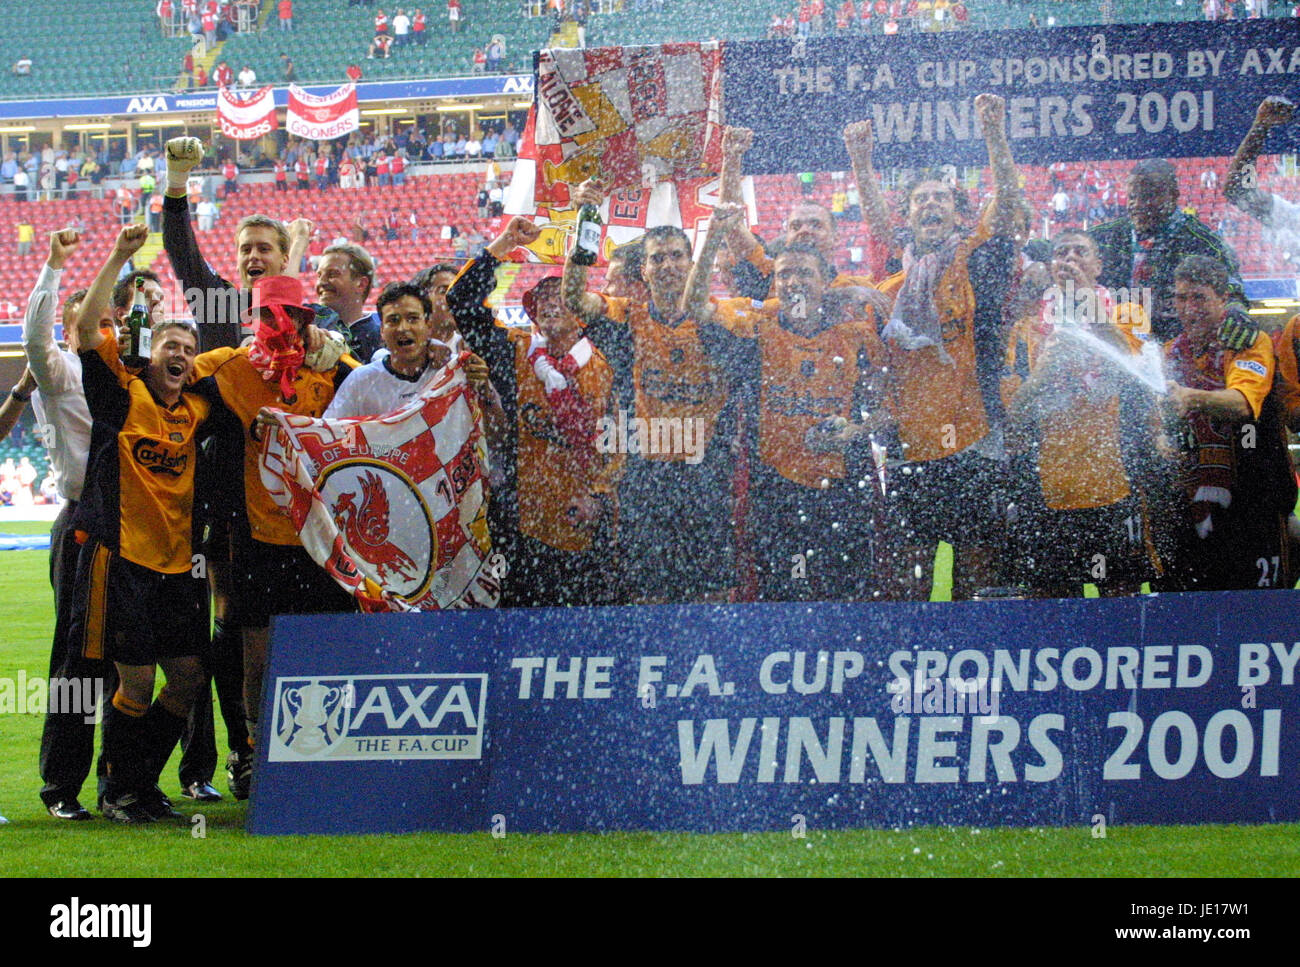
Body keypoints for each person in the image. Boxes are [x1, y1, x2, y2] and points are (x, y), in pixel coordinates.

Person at [68, 225, 214, 823]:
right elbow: (82, 331)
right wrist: (120, 257)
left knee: (186, 678)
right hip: (122, 560)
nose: (177, 354)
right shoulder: (121, 394)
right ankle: (117, 792)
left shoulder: (201, 409)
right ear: (146, 354)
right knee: (134, 683)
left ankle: (140, 784)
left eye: (186, 347)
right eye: (167, 345)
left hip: (179, 568)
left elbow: (243, 361)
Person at [191, 275, 357, 793]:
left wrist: (339, 348)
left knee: (327, 648)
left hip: (325, 539)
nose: (280, 325)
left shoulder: (334, 369)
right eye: (268, 315)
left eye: (291, 315)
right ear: (253, 321)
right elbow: (164, 379)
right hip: (258, 537)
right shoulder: (227, 369)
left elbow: (383, 398)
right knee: (256, 656)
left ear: (309, 320)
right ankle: (256, 752)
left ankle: (334, 752)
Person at [872, 94, 1025, 600]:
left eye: (941, 197)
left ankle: (971, 669)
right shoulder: (896, 285)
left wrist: (993, 131)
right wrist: (859, 158)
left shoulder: (974, 261)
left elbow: (1006, 204)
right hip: (912, 445)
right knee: (910, 576)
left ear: (958, 214)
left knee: (976, 574)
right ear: (909, 215)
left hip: (974, 440)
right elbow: (876, 225)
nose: (931, 204)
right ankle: (910, 665)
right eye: (921, 199)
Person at [561, 182, 738, 604]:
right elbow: (572, 297)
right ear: (644, 270)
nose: (668, 265)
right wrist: (586, 221)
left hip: (705, 473)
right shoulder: (631, 318)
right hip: (648, 476)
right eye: (657, 258)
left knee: (711, 594)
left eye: (677, 255)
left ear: (692, 262)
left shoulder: (720, 317)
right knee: (649, 593)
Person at [447, 220, 622, 606]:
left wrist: (599, 497)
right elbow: (460, 302)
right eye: (540, 299)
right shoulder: (514, 351)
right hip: (519, 524)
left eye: (560, 296)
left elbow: (623, 443)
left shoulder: (606, 367)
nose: (548, 302)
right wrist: (506, 242)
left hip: (584, 521)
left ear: (580, 311)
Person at [21, 231, 115, 820]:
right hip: (84, 521)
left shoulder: (126, 378)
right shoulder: (59, 372)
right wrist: (54, 266)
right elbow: (34, 338)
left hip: (133, 524)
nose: (105, 328)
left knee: (128, 659)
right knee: (78, 660)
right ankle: (62, 787)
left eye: (111, 320)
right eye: (93, 318)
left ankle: (124, 783)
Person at [1004, 230, 1151, 597]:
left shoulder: (1126, 313)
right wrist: (1040, 377)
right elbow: (1014, 416)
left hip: (1113, 486)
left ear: (1098, 265)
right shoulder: (1028, 330)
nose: (1069, 259)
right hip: (1048, 492)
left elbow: (1136, 375)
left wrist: (1087, 303)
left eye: (1080, 252)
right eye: (1061, 253)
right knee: (1051, 606)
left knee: (1122, 604)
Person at [1156, 255, 1295, 591]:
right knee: (1190, 610)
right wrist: (1161, 440)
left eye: (1200, 297)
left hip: (1254, 498)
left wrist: (1190, 398)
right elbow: (1157, 420)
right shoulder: (1169, 352)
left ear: (1223, 299)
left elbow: (1242, 404)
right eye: (1181, 298)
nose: (1190, 308)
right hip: (1191, 505)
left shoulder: (1247, 341)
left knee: (1259, 615)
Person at [316, 243, 383, 363]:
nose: (321, 282)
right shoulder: (309, 333)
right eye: (319, 275)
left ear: (361, 284)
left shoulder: (381, 340)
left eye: (332, 274)